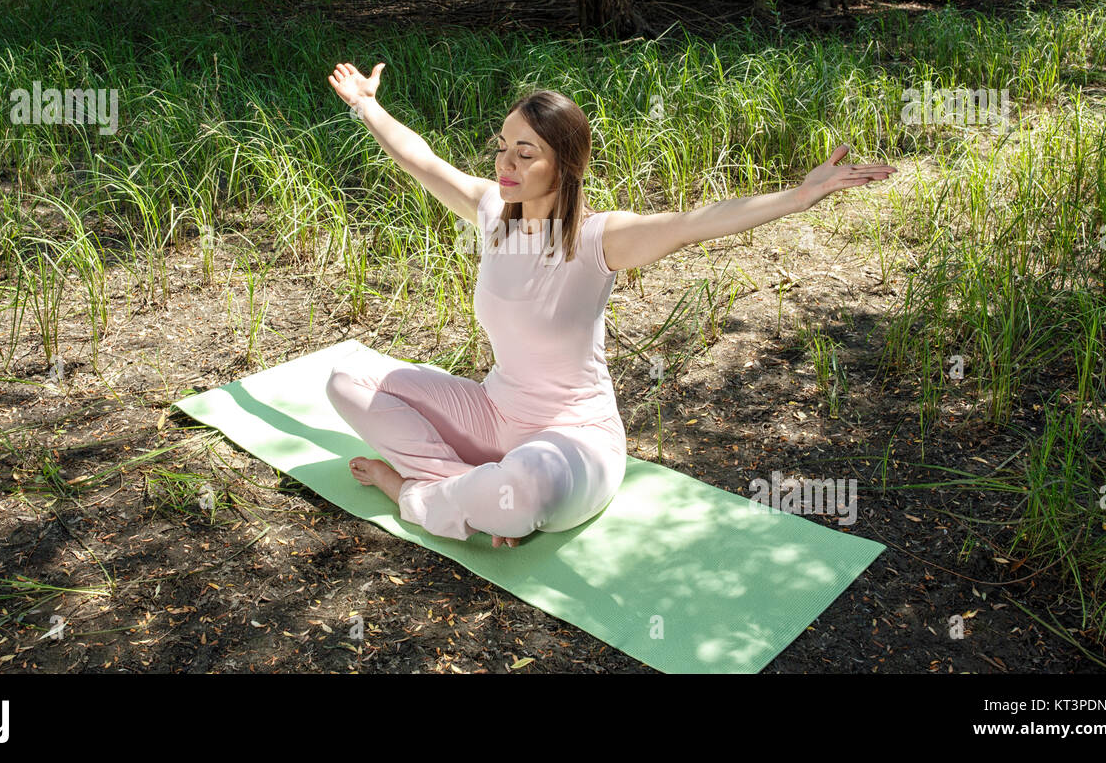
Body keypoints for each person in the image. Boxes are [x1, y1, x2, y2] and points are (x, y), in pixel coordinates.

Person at [324, 61, 895, 547]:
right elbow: (420, 159)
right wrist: (366, 106)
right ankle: (465, 491)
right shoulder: (492, 212)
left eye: (526, 154)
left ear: (564, 164)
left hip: (573, 439)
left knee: (519, 487)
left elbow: (694, 224)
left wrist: (799, 196)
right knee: (347, 380)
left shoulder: (598, 239)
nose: (506, 165)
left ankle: (419, 492)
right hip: (494, 414)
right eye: (502, 147)